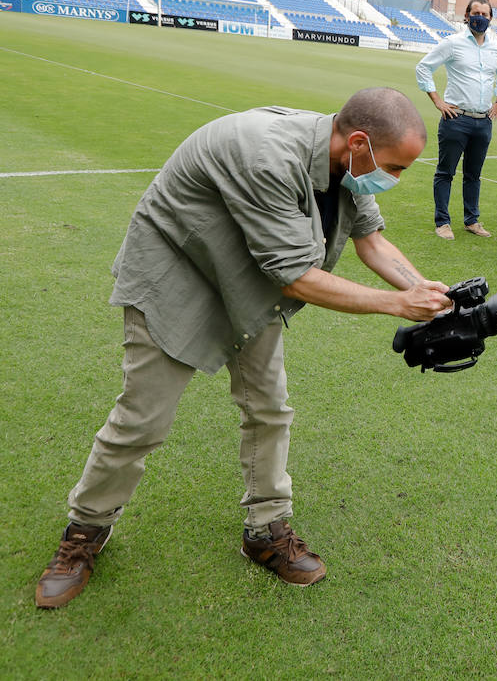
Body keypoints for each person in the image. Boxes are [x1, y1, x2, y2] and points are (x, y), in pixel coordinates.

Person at [35, 88, 455, 609]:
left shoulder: (347, 160)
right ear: (361, 142)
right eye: (395, 167)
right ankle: (84, 533)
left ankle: (265, 529)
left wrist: (430, 293)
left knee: (269, 408)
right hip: (177, 272)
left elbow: (371, 241)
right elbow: (296, 276)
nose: (393, 178)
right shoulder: (266, 153)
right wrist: (398, 305)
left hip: (248, 280)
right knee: (142, 419)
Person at [416, 0, 497, 239]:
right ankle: (442, 222)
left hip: (483, 121)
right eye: (475, 13)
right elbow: (423, 67)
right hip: (456, 119)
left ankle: (471, 220)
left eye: (485, 14)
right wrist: (438, 101)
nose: (480, 18)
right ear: (467, 16)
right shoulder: (452, 43)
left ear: (490, 19)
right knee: (445, 172)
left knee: (473, 175)